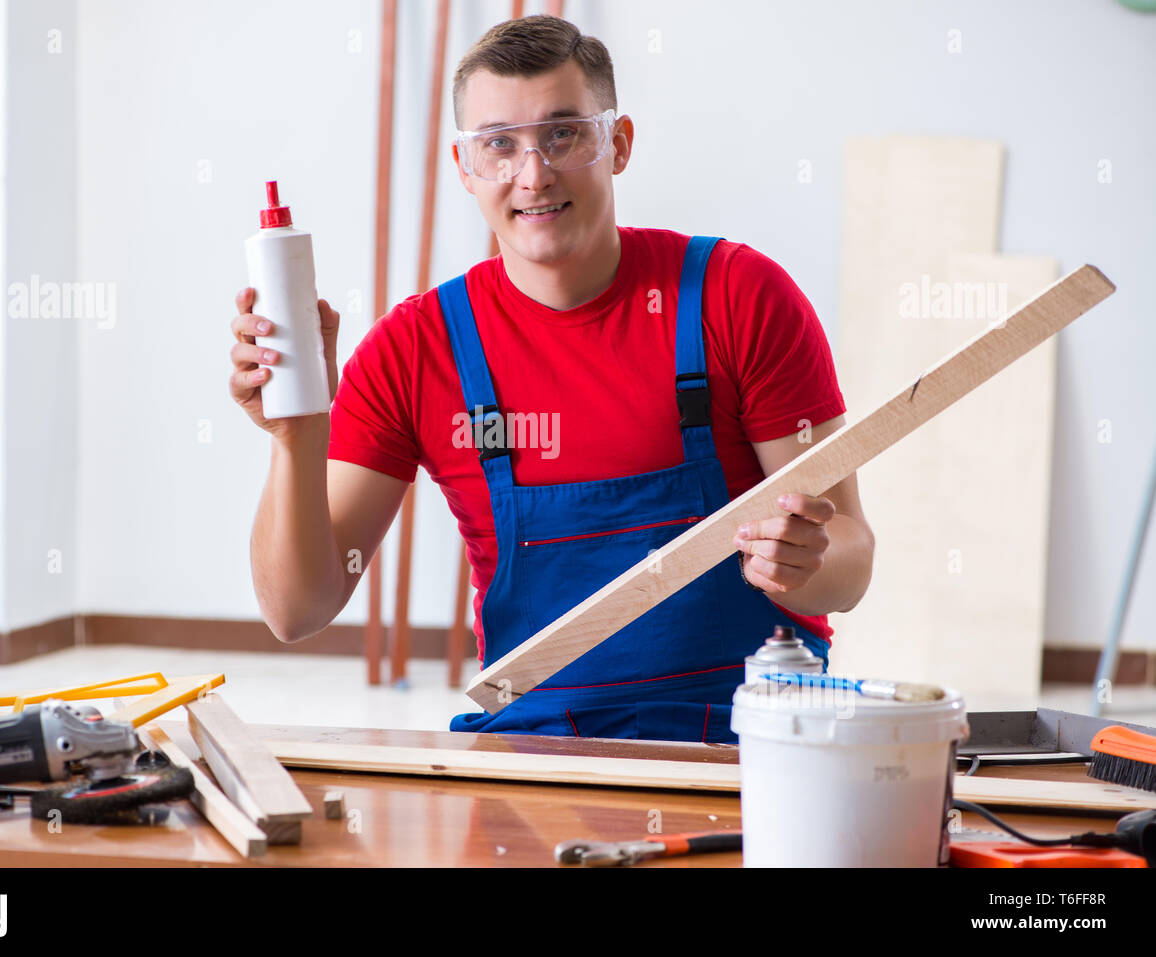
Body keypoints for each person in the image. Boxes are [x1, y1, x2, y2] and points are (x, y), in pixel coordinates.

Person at [229, 15, 874, 742]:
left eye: (563, 134)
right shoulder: (416, 349)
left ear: (618, 143)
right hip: (535, 755)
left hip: (753, 740)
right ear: (465, 167)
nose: (532, 174)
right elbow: (297, 609)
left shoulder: (739, 296)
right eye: (498, 145)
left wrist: (806, 560)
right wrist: (295, 433)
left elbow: (849, 564)